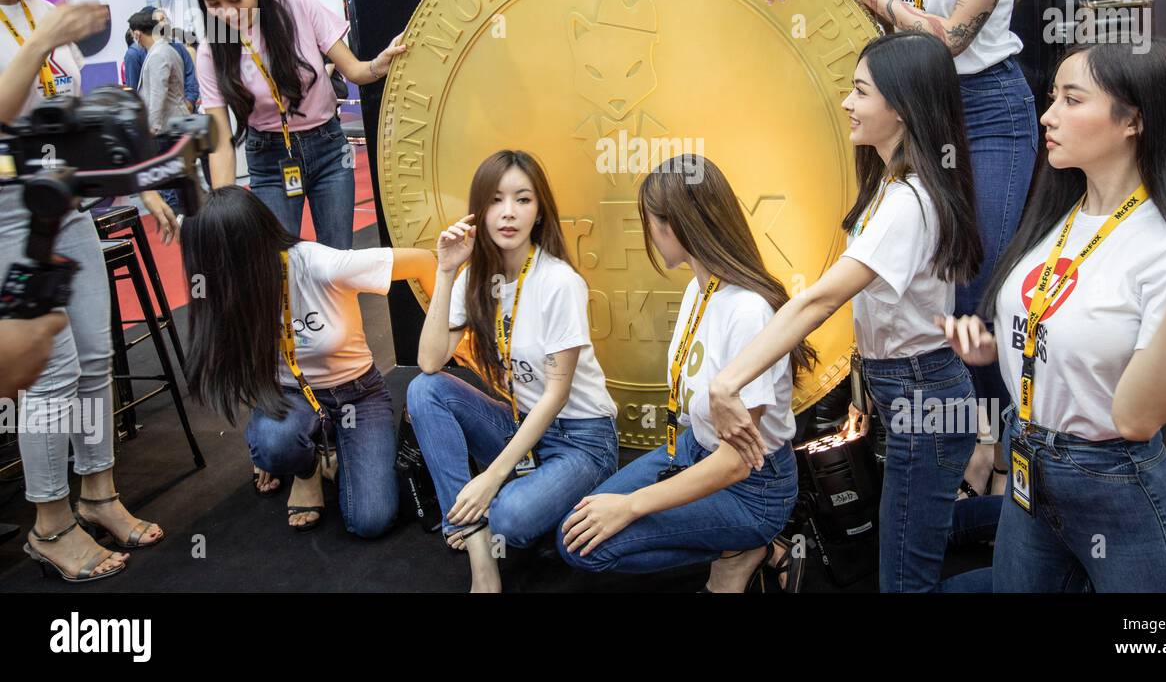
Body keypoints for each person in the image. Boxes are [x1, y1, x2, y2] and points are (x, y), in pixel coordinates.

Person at [755, 0, 1034, 497]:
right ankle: (946, 445)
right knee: (933, 283)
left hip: (987, 107)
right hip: (924, 112)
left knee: (981, 285)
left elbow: (955, 34)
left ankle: (994, 448)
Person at [940, 40, 1166, 592]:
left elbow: (1135, 418)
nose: (1048, 115)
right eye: (1052, 96)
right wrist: (1000, 347)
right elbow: (1057, 324)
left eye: (1071, 100)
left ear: (1133, 121)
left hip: (1114, 486)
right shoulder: (1060, 214)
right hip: (1029, 460)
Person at [706, 33, 983, 592]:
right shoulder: (890, 181)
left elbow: (820, 299)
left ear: (901, 107)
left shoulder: (908, 202)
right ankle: (1047, 532)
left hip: (920, 395)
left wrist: (730, 379)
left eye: (860, 91)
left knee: (906, 579)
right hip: (903, 387)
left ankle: (1046, 555)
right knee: (913, 535)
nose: (847, 103)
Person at [0, 0, 177, 583]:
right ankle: (49, 521)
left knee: (98, 354)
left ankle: (98, 492)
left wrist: (132, 187)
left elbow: (67, 121)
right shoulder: (38, 22)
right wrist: (47, 31)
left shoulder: (32, 14)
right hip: (10, 213)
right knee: (49, 376)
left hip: (67, 202)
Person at [558, 154, 814, 592]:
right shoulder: (701, 287)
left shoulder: (747, 311)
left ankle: (748, 543)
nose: (650, 236)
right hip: (690, 450)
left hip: (752, 488)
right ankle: (745, 549)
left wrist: (632, 507)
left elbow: (735, 464)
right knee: (576, 534)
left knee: (593, 544)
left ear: (675, 226)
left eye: (651, 223)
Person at [408, 150, 619, 592]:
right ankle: (476, 544)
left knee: (509, 516)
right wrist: (446, 272)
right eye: (496, 200)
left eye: (523, 200)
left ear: (539, 212)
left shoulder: (559, 282)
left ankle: (506, 508)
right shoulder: (474, 278)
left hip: (582, 439)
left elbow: (555, 397)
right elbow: (429, 361)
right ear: (479, 209)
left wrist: (491, 477)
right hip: (522, 427)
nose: (508, 212)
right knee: (424, 390)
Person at [181, 186, 426, 536]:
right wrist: (272, 444)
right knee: (273, 443)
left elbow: (425, 261)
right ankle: (307, 469)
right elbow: (239, 366)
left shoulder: (320, 263)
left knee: (370, 521)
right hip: (293, 397)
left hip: (358, 393)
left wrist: (453, 336)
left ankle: (334, 451)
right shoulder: (225, 290)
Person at [185, 0, 405, 248]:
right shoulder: (213, 49)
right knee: (281, 264)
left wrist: (378, 65)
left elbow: (355, 71)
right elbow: (219, 139)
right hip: (269, 159)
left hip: (329, 148)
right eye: (213, 3)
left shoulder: (297, 7)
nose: (228, 13)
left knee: (336, 262)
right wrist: (222, 209)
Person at [129, 8, 189, 210]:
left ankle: (180, 223)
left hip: (165, 129)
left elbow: (157, 95)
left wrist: (151, 129)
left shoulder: (158, 55)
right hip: (173, 125)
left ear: (137, 33)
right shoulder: (165, 50)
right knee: (180, 183)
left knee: (170, 186)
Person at [123, 8, 199, 109]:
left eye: (165, 18)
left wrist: (189, 103)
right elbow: (134, 90)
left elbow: (190, 76)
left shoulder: (177, 46)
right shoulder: (134, 54)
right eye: (161, 20)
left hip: (183, 111)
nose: (165, 23)